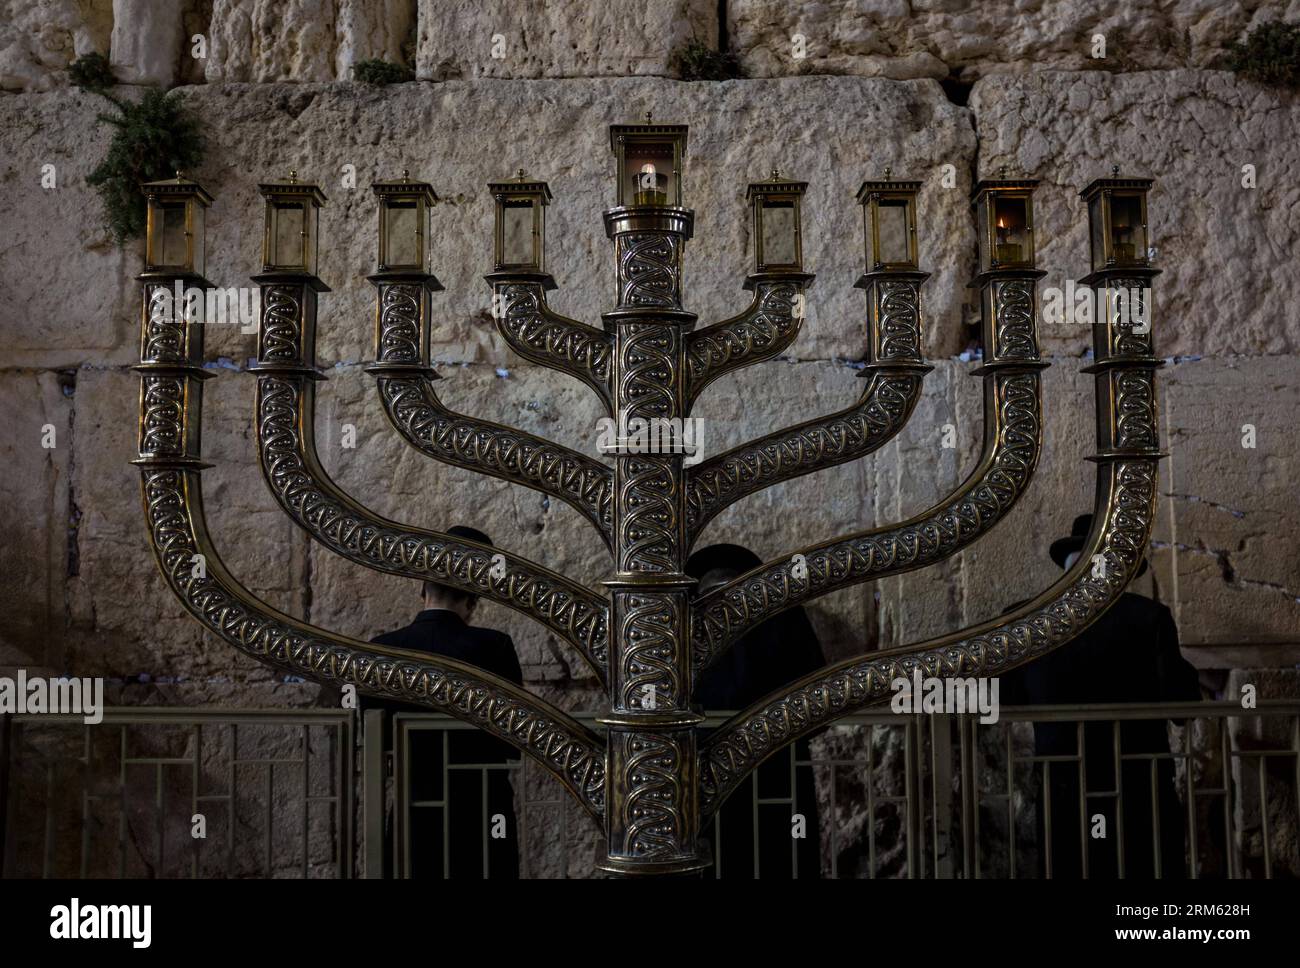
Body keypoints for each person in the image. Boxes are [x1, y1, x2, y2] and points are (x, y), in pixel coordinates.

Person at [1000, 513, 1201, 878]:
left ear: (1068, 565)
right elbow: (1182, 704)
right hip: (1140, 783)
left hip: (1062, 784)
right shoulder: (1149, 618)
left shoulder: (1027, 621)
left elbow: (1005, 698)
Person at [365, 525, 523, 879]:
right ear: (474, 597)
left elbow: (371, 739)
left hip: (414, 809)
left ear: (423, 589)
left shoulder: (383, 650)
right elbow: (513, 737)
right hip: (483, 811)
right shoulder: (494, 646)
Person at [687, 543, 827, 879]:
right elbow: (815, 694)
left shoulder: (684, 636)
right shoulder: (780, 623)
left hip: (714, 778)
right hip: (776, 774)